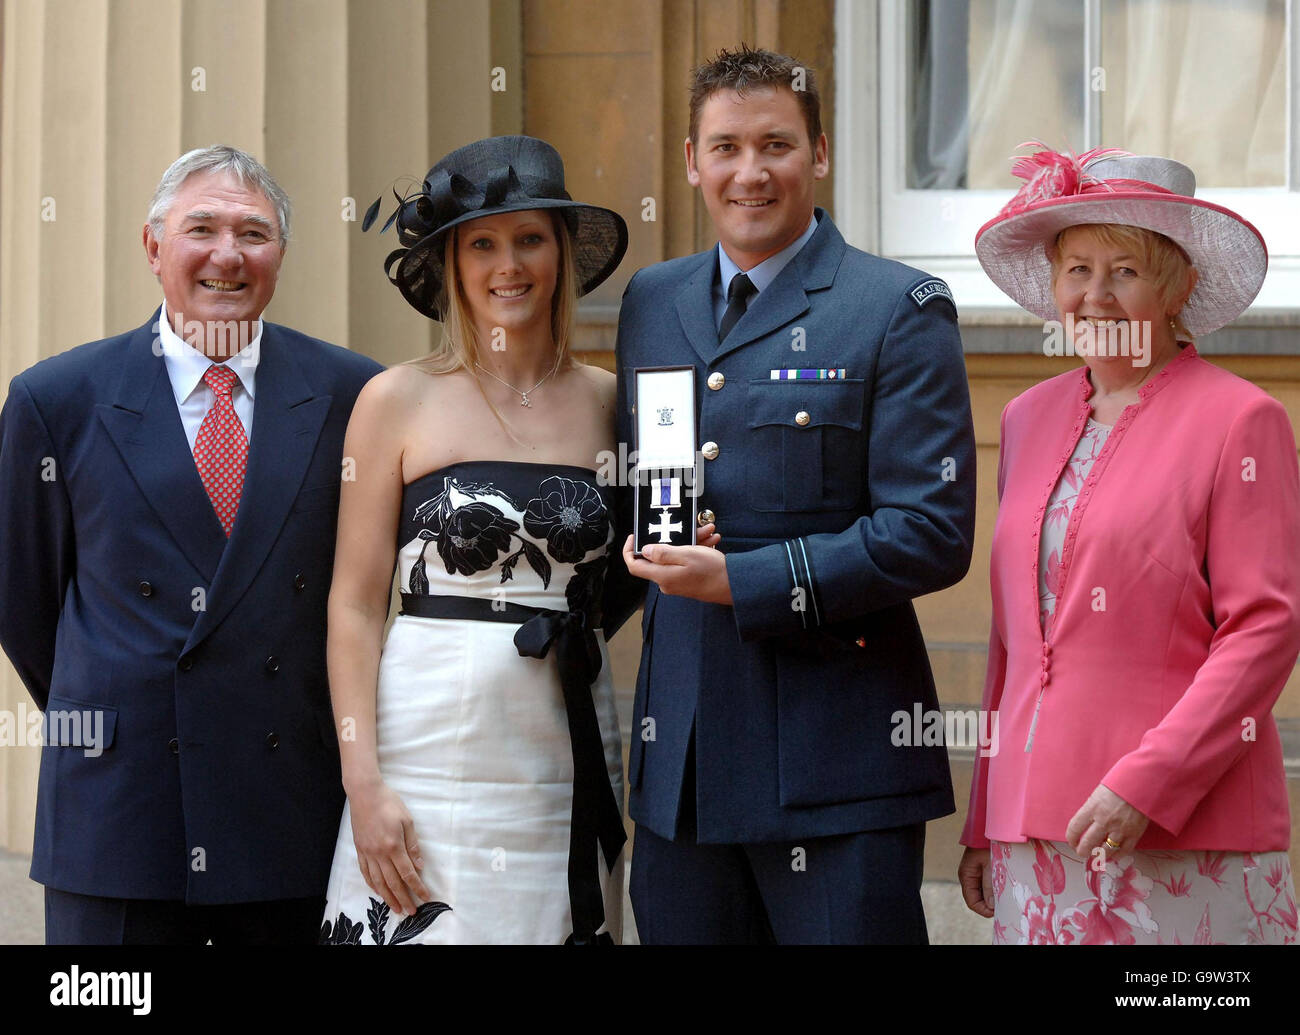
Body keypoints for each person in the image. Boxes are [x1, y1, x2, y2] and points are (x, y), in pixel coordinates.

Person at [616, 46, 977, 944]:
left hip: (836, 765)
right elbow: (653, 472)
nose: (751, 172)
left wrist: (745, 579)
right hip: (684, 769)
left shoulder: (897, 304)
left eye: (775, 144)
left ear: (818, 153)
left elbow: (931, 531)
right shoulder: (652, 299)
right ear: (691, 161)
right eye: (726, 147)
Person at [0, 146, 383, 944]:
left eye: (254, 232)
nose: (227, 255)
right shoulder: (56, 397)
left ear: (280, 254)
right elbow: (23, 599)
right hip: (118, 813)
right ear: (152, 247)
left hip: (285, 809)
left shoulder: (355, 394)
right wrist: (121, 700)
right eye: (200, 228)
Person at [319, 135, 671, 945]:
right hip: (423, 745)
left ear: (561, 254)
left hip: (563, 741)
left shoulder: (613, 404)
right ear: (452, 263)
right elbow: (354, 605)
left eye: (529, 239)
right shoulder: (393, 400)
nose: (507, 265)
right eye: (482, 243)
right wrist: (362, 780)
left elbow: (641, 565)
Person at [958, 145, 1300, 945]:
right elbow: (1012, 638)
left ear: (1178, 285)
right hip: (1032, 833)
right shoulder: (1026, 417)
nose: (1096, 293)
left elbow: (1264, 629)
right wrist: (985, 810)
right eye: (1077, 268)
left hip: (1181, 830)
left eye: (1125, 270)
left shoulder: (1241, 420)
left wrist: (1148, 784)